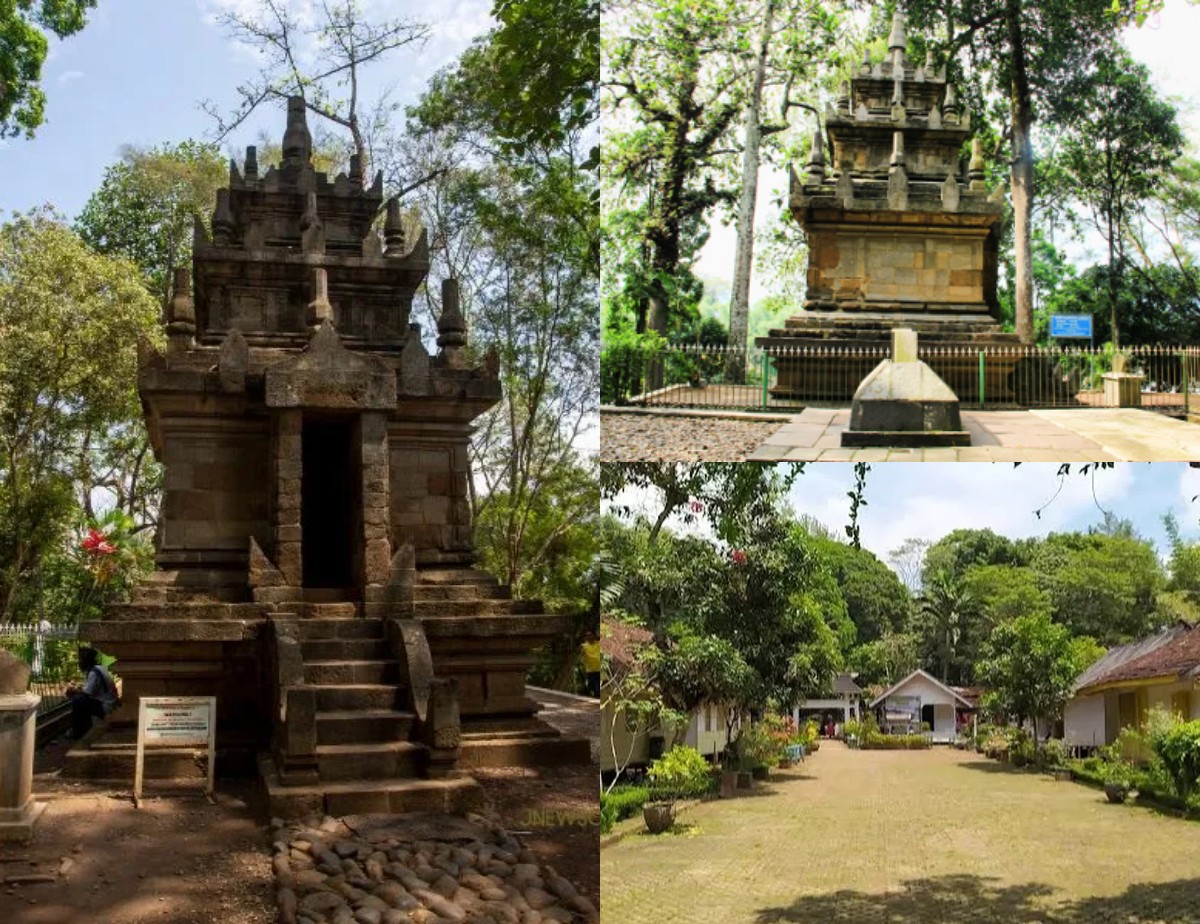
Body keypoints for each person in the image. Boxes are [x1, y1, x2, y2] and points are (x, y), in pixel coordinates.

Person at [64, 647, 118, 739]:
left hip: (106, 706)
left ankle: (78, 732)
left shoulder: (94, 672)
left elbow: (86, 693)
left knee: (78, 700)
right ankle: (84, 728)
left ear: (86, 660)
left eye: (80, 660)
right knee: (80, 698)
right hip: (110, 704)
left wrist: (72, 690)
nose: (79, 662)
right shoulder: (99, 668)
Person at [581, 630, 601, 698]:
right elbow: (580, 652)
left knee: (597, 687)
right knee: (592, 686)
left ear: (594, 636)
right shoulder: (584, 646)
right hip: (590, 670)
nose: (589, 637)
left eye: (590, 635)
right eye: (587, 636)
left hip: (599, 669)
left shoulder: (599, 644)